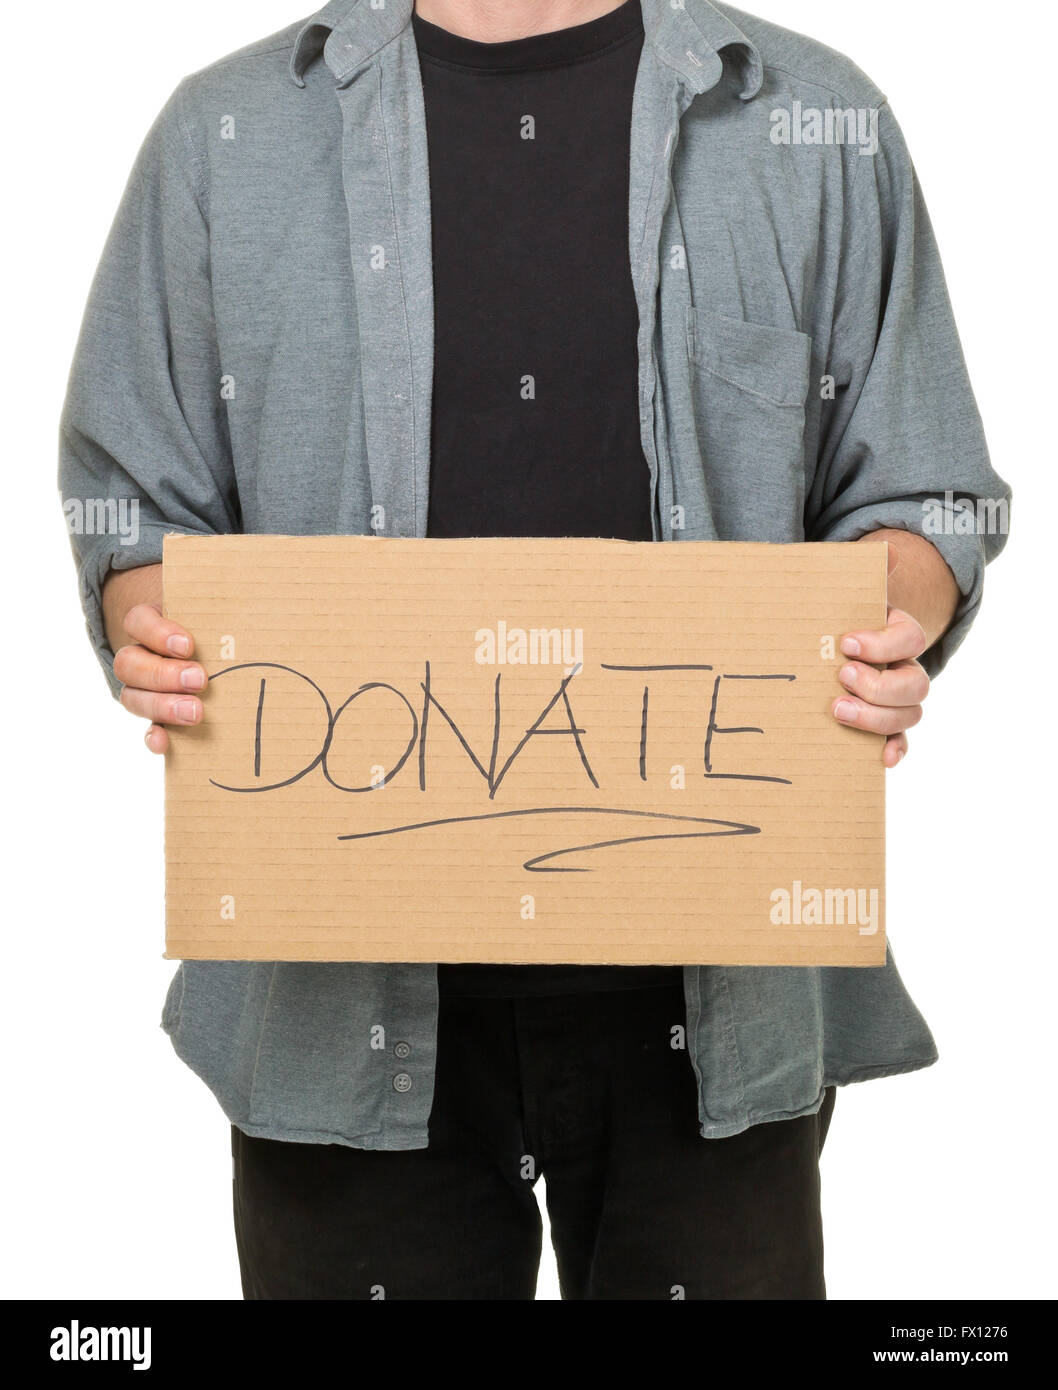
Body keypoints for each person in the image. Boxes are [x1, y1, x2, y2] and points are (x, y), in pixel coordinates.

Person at [59, 0, 1010, 1299]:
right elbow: (134, 499)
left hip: (711, 976)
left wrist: (894, 608)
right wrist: (147, 617)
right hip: (335, 985)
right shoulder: (224, 140)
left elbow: (919, 491)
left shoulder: (804, 123)